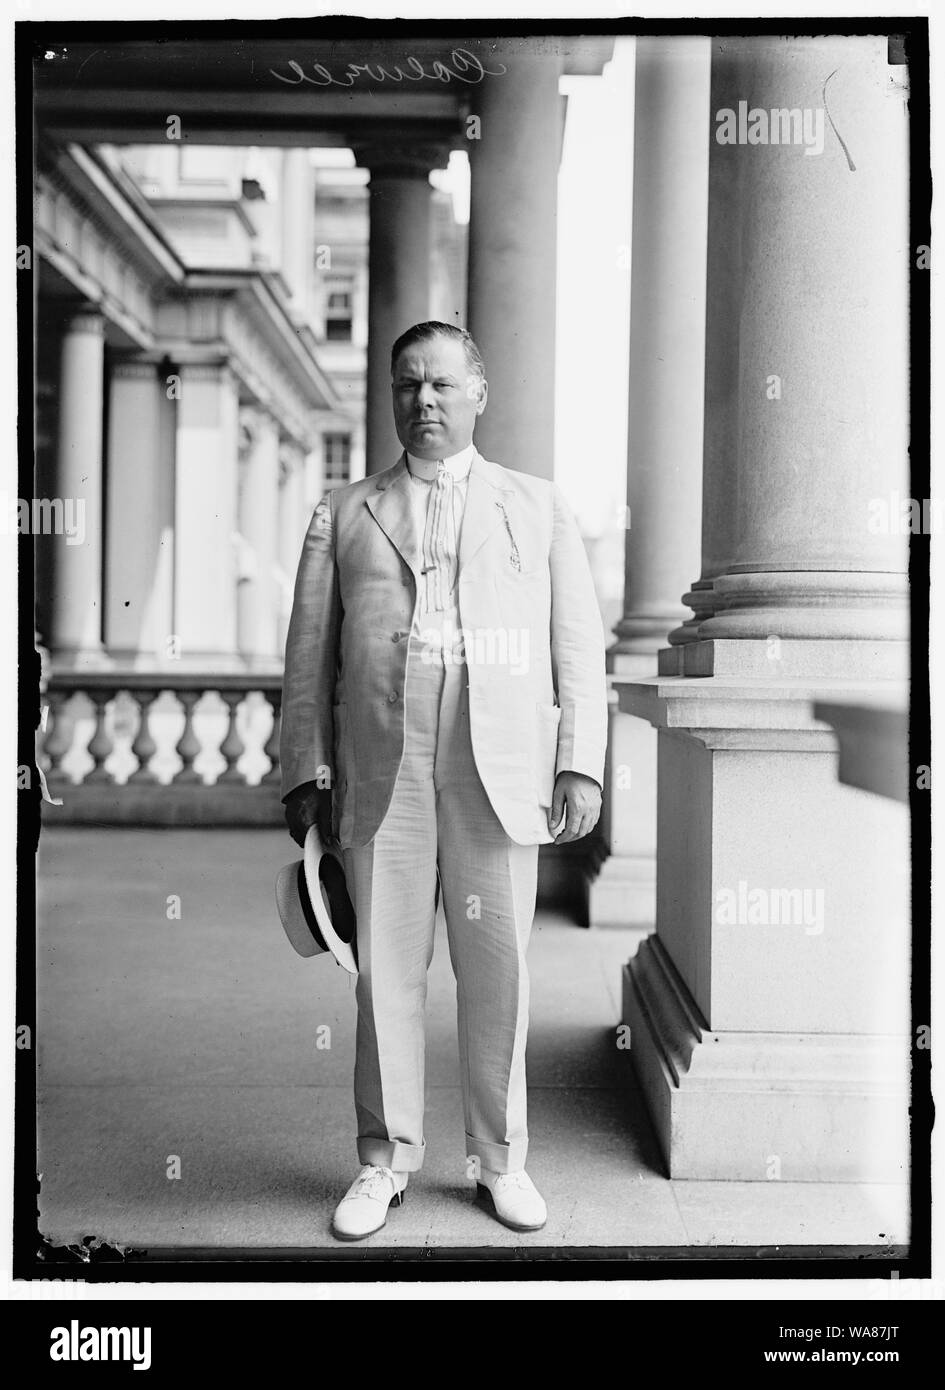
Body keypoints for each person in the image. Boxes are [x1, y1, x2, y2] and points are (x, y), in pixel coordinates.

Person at [280, 321, 607, 1240]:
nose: (422, 401)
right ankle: (383, 1163)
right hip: (382, 764)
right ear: (390, 397)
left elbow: (577, 648)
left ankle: (500, 1162)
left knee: (497, 967)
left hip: (497, 766)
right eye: (406, 385)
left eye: (440, 385)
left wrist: (577, 761)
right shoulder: (343, 511)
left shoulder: (537, 508)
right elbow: (307, 655)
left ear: (478, 392)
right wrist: (304, 771)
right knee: (384, 972)